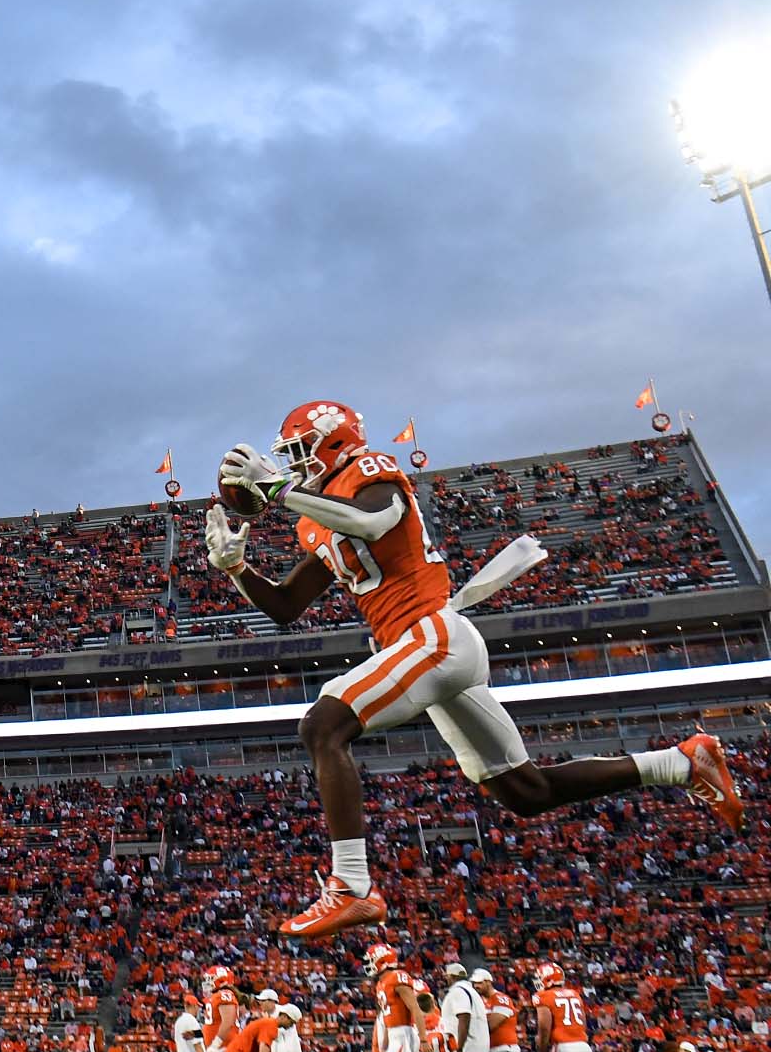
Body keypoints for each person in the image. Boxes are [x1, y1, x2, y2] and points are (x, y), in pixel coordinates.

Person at [207, 402, 744, 939]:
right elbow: (285, 605)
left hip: (432, 635)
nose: (294, 467)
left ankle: (352, 885)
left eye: (299, 454)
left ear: (332, 441)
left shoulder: (368, 471)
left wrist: (279, 492)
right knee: (524, 791)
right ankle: (678, 763)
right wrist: (236, 568)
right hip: (429, 649)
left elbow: (373, 521)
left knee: (323, 725)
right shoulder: (315, 515)